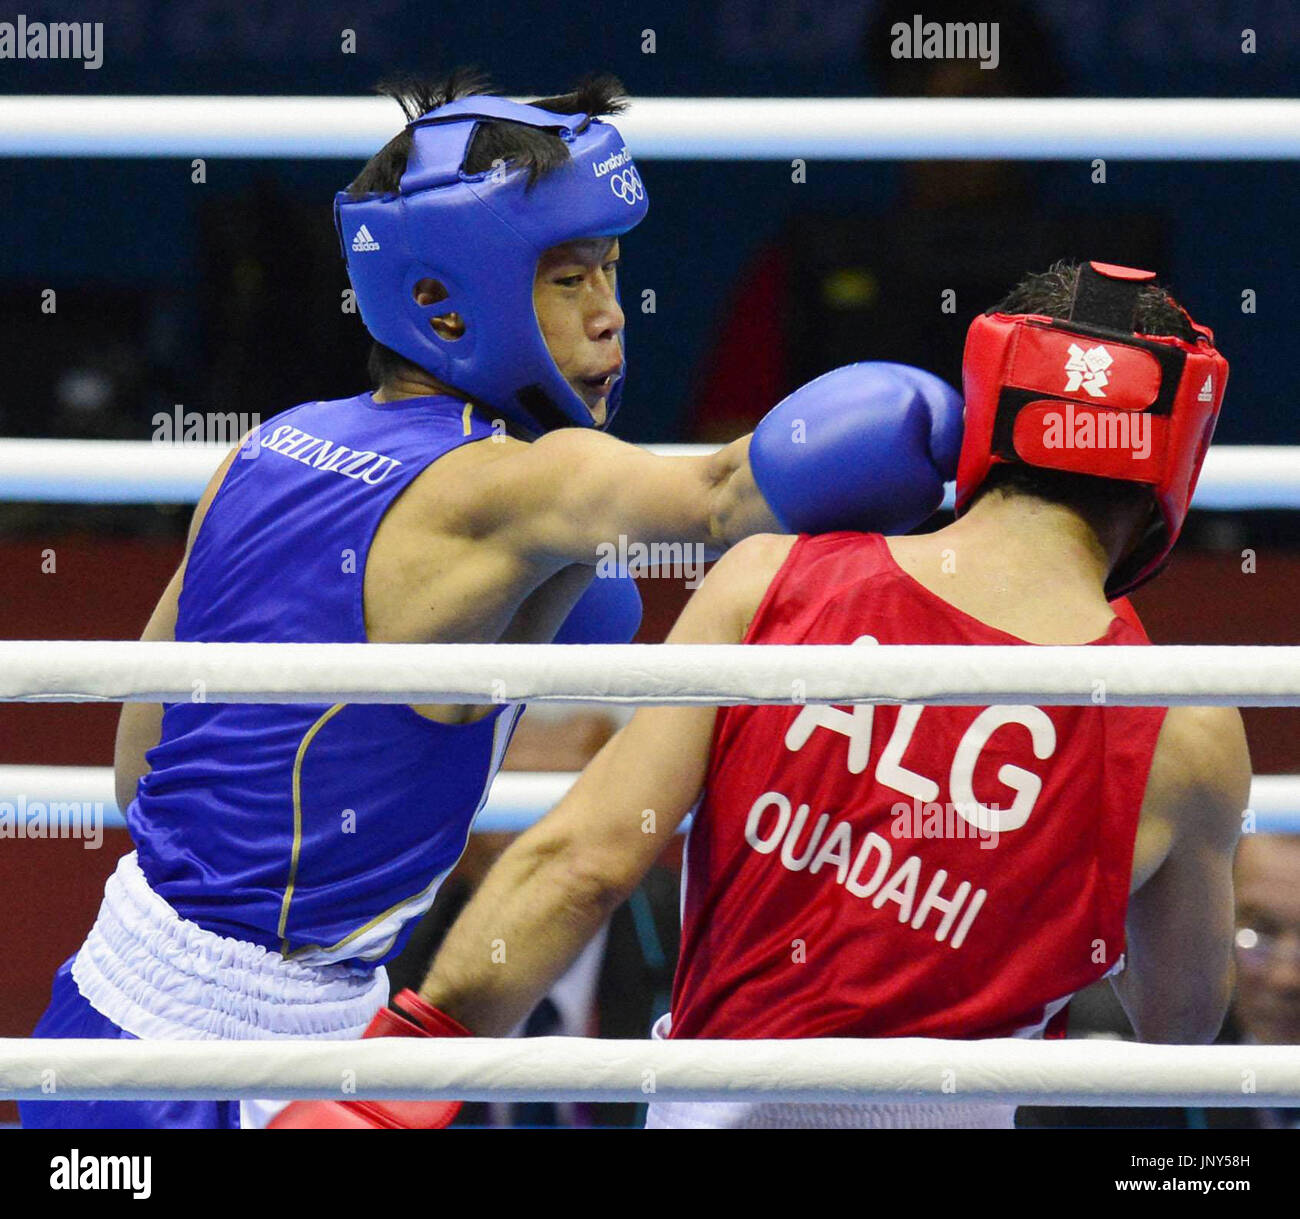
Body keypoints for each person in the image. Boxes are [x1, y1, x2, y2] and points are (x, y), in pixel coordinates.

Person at [21, 70, 963, 1131]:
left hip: (100, 1005)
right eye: (568, 282)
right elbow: (723, 496)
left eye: (611, 270)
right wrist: (957, 436)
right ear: (441, 299)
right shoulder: (519, 481)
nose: (611, 317)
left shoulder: (264, 447)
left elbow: (138, 758)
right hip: (244, 1059)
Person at [397, 260, 1251, 1130]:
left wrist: (396, 1077)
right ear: (1174, 459)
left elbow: (583, 866)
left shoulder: (773, 581)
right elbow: (1176, 1031)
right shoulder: (1180, 725)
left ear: (985, 408)